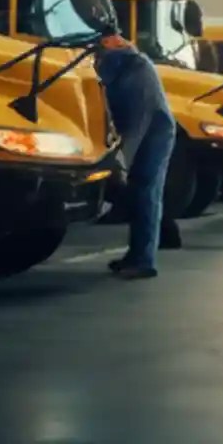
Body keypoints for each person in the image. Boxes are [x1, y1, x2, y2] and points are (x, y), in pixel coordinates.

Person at [97, 34, 178, 279]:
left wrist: (120, 163)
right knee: (143, 193)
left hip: (154, 134)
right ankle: (137, 255)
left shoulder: (135, 70)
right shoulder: (122, 65)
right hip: (149, 129)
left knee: (146, 191)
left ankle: (144, 260)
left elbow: (135, 124)